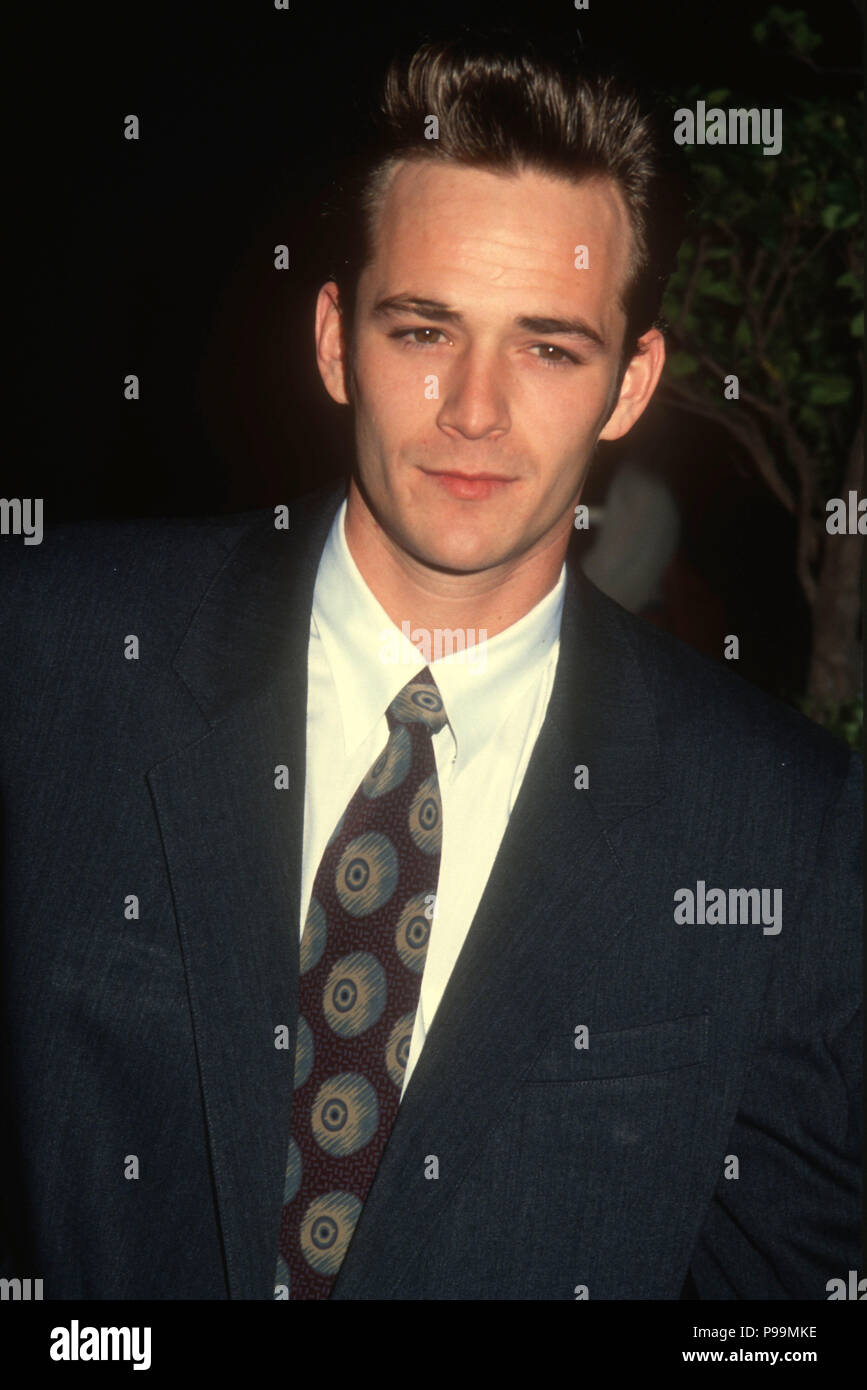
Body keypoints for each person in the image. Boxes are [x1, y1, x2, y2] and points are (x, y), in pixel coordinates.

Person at [0, 33, 860, 1301]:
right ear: (337, 342)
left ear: (631, 385)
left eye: (549, 349)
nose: (473, 407)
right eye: (424, 330)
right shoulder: (49, 648)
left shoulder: (785, 825)